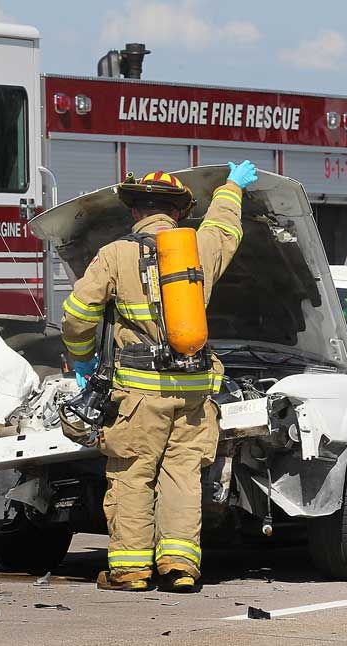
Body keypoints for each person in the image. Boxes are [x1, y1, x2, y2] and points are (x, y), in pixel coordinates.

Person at [61, 161, 258, 592]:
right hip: (193, 391)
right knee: (183, 475)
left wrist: (83, 360)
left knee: (133, 474)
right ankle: (180, 567)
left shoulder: (115, 254)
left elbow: (77, 315)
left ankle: (131, 571)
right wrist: (231, 187)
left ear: (135, 212)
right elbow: (226, 228)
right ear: (180, 213)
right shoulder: (199, 249)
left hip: (137, 394)